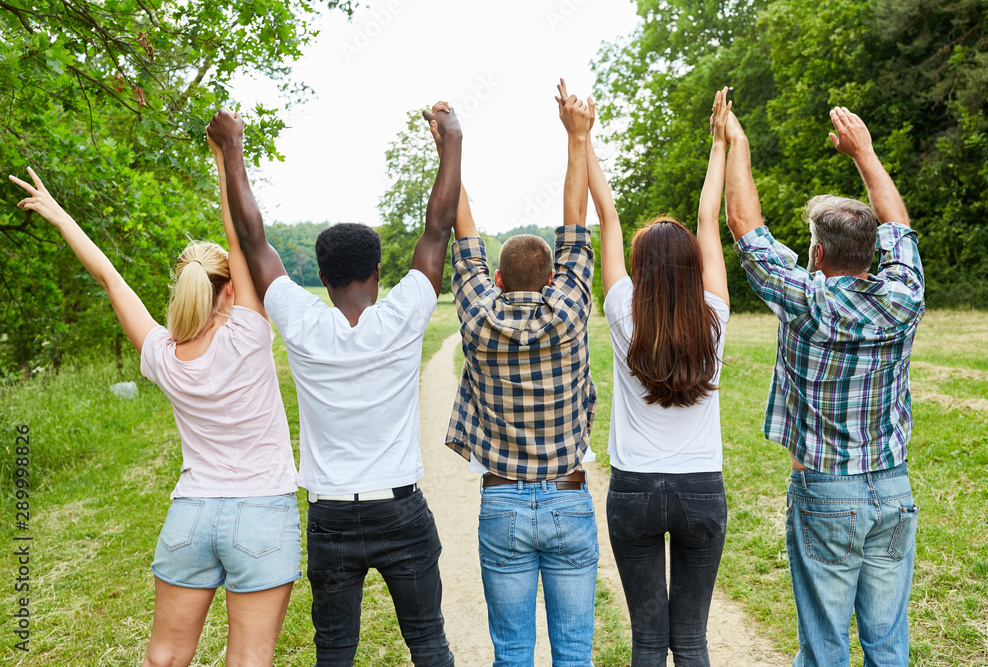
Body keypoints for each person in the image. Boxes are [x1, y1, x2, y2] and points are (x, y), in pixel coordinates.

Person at [9, 133, 301, 667]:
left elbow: (109, 277)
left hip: (189, 517)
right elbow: (242, 238)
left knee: (163, 658)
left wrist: (60, 215)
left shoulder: (161, 355)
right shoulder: (250, 334)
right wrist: (223, 159)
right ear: (230, 289)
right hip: (261, 512)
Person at [205, 104, 461, 667]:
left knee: (336, 652)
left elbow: (253, 239)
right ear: (377, 275)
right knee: (429, 643)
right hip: (400, 510)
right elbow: (438, 227)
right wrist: (452, 143)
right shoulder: (403, 315)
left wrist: (233, 151)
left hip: (331, 518)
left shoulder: (299, 319)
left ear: (320, 277)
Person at [724, 106, 924, 666]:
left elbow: (745, 227)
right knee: (888, 644)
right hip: (893, 490)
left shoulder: (807, 301)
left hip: (826, 492)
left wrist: (737, 141)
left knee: (825, 646)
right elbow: (900, 228)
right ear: (874, 252)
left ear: (816, 254)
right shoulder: (905, 297)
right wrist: (865, 153)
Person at [443, 79, 598, 666]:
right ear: (557, 273)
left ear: (500, 280)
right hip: (568, 500)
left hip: (502, 505)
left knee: (511, 652)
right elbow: (576, 221)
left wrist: (449, 150)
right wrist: (576, 135)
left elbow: (466, 241)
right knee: (575, 654)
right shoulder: (570, 310)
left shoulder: (480, 315)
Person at [588, 88, 733, 665]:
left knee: (648, 639)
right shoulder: (714, 318)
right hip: (702, 488)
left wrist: (584, 140)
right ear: (694, 266)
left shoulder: (623, 310)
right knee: (691, 638)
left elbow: (609, 215)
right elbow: (708, 219)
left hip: (635, 489)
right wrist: (719, 144)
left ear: (641, 269)